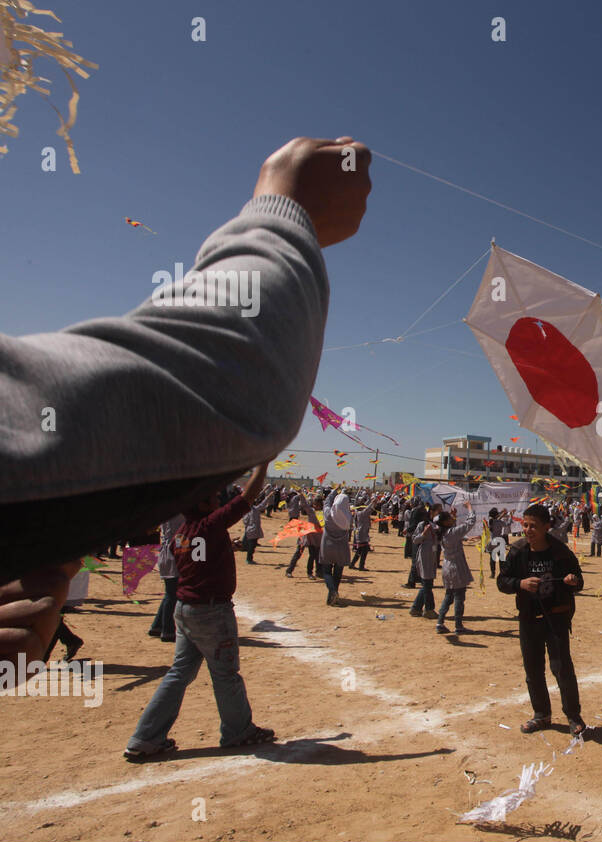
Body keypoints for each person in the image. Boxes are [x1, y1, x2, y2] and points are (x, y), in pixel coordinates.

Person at [0, 137, 371, 673]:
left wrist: (42, 526)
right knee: (190, 664)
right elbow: (228, 380)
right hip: (199, 598)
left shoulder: (188, 525)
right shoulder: (201, 525)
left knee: (182, 659)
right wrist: (285, 209)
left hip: (188, 590)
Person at [123, 463, 276, 760]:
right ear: (202, 504)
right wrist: (264, 462)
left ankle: (145, 737)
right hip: (211, 612)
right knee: (225, 675)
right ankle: (238, 731)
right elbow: (249, 495)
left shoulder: (182, 533)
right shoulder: (208, 525)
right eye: (213, 496)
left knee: (178, 674)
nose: (219, 498)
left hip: (185, 610)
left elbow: (201, 554)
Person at [497, 505, 586, 735]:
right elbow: (502, 581)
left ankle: (573, 716)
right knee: (533, 670)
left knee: (562, 668)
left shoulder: (561, 552)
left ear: (547, 526)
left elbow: (579, 580)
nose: (528, 530)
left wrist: (572, 580)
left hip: (556, 618)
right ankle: (541, 715)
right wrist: (520, 584)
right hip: (528, 619)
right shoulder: (517, 552)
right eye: (525, 525)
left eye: (533, 526)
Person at [435, 506, 476, 634]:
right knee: (459, 597)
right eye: (450, 518)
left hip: (447, 566)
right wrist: (469, 507)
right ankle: (458, 625)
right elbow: (470, 522)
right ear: (446, 522)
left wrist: (453, 517)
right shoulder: (451, 533)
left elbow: (454, 529)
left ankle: (440, 622)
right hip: (456, 567)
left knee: (449, 595)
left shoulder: (443, 532)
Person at [147, 513, 184, 642]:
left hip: (168, 550)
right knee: (172, 593)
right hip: (175, 551)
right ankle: (168, 630)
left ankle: (157, 625)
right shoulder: (179, 511)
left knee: (170, 592)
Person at [319, 488, 352, 606]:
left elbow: (326, 502)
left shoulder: (328, 514)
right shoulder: (348, 518)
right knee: (337, 574)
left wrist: (334, 491)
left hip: (327, 546)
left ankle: (332, 592)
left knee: (327, 572)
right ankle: (333, 596)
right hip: (342, 548)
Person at [408, 505, 440, 619]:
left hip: (432, 557)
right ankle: (429, 609)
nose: (439, 513)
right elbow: (415, 539)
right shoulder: (422, 525)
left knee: (427, 584)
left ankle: (416, 608)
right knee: (427, 584)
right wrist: (424, 534)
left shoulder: (437, 525)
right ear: (431, 512)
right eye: (438, 511)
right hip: (424, 557)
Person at [285, 498, 322, 578]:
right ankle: (289, 570)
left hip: (316, 537)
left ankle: (313, 573)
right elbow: (304, 505)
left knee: (314, 555)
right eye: (315, 504)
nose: (317, 506)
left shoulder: (322, 513)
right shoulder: (311, 511)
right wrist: (301, 495)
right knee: (298, 553)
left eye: (318, 505)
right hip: (306, 536)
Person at [239, 488, 275, 563]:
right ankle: (249, 559)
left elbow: (245, 521)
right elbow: (263, 504)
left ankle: (249, 557)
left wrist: (268, 496)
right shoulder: (255, 509)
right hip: (253, 530)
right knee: (252, 545)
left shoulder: (250, 510)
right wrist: (268, 496)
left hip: (250, 530)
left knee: (252, 545)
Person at [349, 496, 374, 570]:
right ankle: (361, 566)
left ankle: (352, 564)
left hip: (361, 533)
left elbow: (367, 508)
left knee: (360, 550)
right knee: (364, 550)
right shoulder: (361, 513)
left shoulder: (358, 512)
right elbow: (368, 508)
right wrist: (373, 502)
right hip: (361, 533)